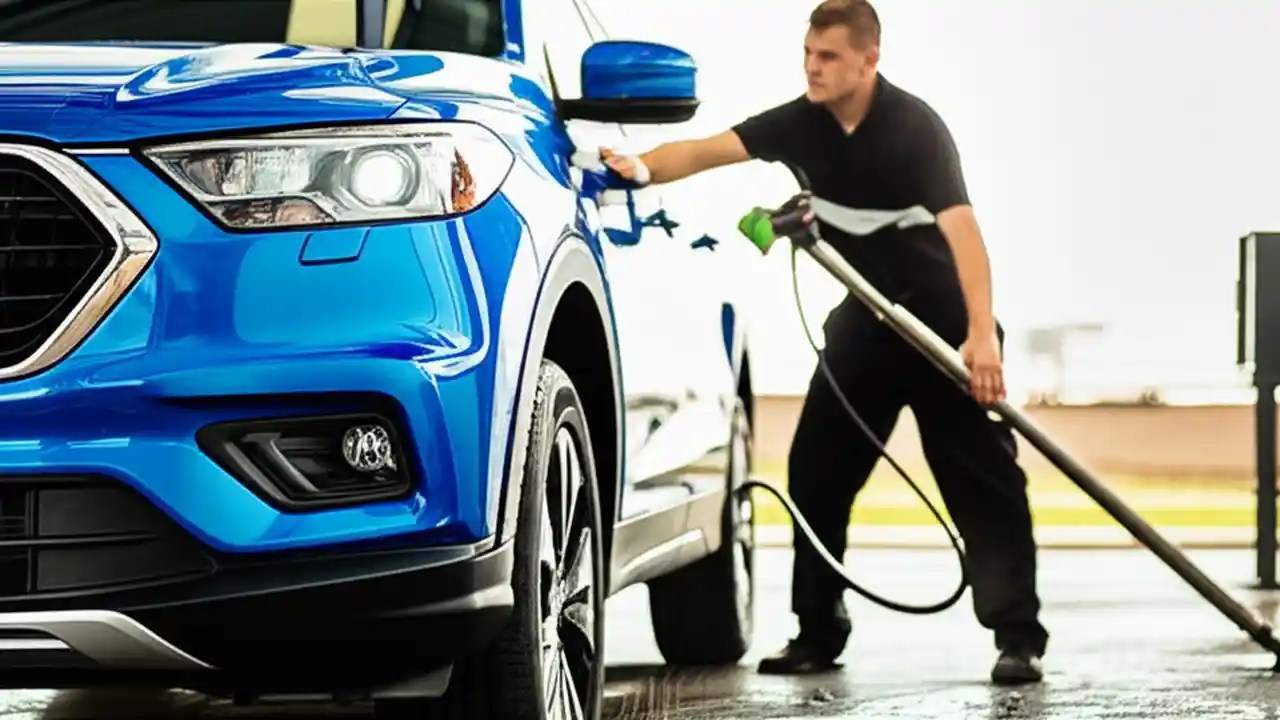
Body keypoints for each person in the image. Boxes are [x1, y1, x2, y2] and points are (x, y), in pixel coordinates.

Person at [599, 0, 1049, 685]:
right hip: (864, 328)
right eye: (809, 54)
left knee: (983, 483)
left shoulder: (914, 129)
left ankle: (1018, 637)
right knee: (815, 472)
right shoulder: (800, 124)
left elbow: (966, 236)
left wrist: (982, 339)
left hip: (942, 329)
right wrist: (635, 167)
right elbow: (700, 150)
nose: (814, 66)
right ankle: (817, 630)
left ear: (868, 61)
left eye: (829, 56)